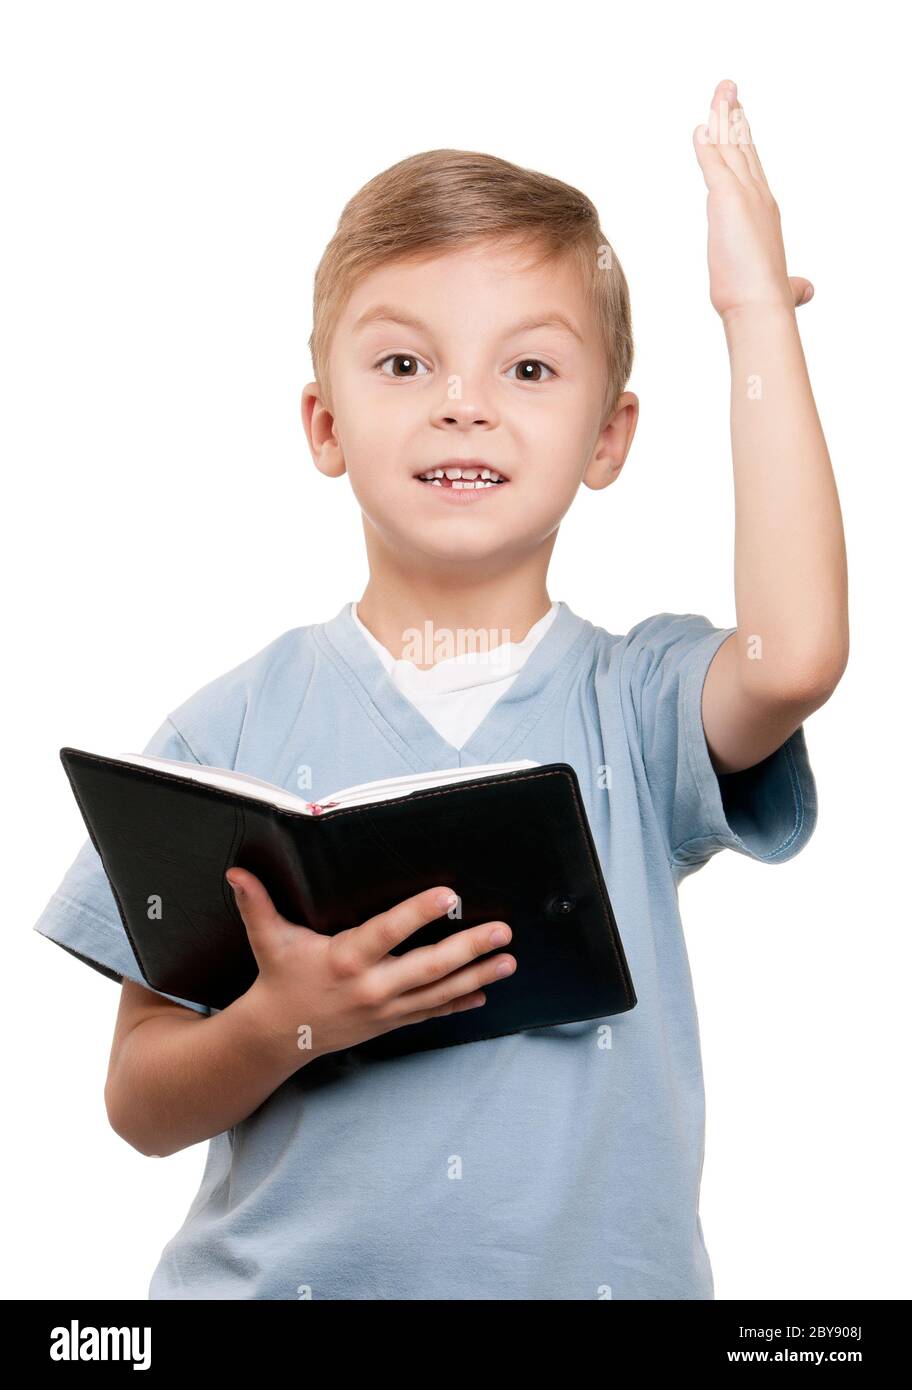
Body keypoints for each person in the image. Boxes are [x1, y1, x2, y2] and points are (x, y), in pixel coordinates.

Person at [32, 79, 848, 1300]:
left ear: (610, 437)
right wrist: (283, 1022)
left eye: (528, 367)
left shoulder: (640, 704)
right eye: (406, 361)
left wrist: (751, 315)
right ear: (325, 423)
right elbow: (140, 1108)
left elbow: (796, 656)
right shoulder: (222, 731)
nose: (463, 399)